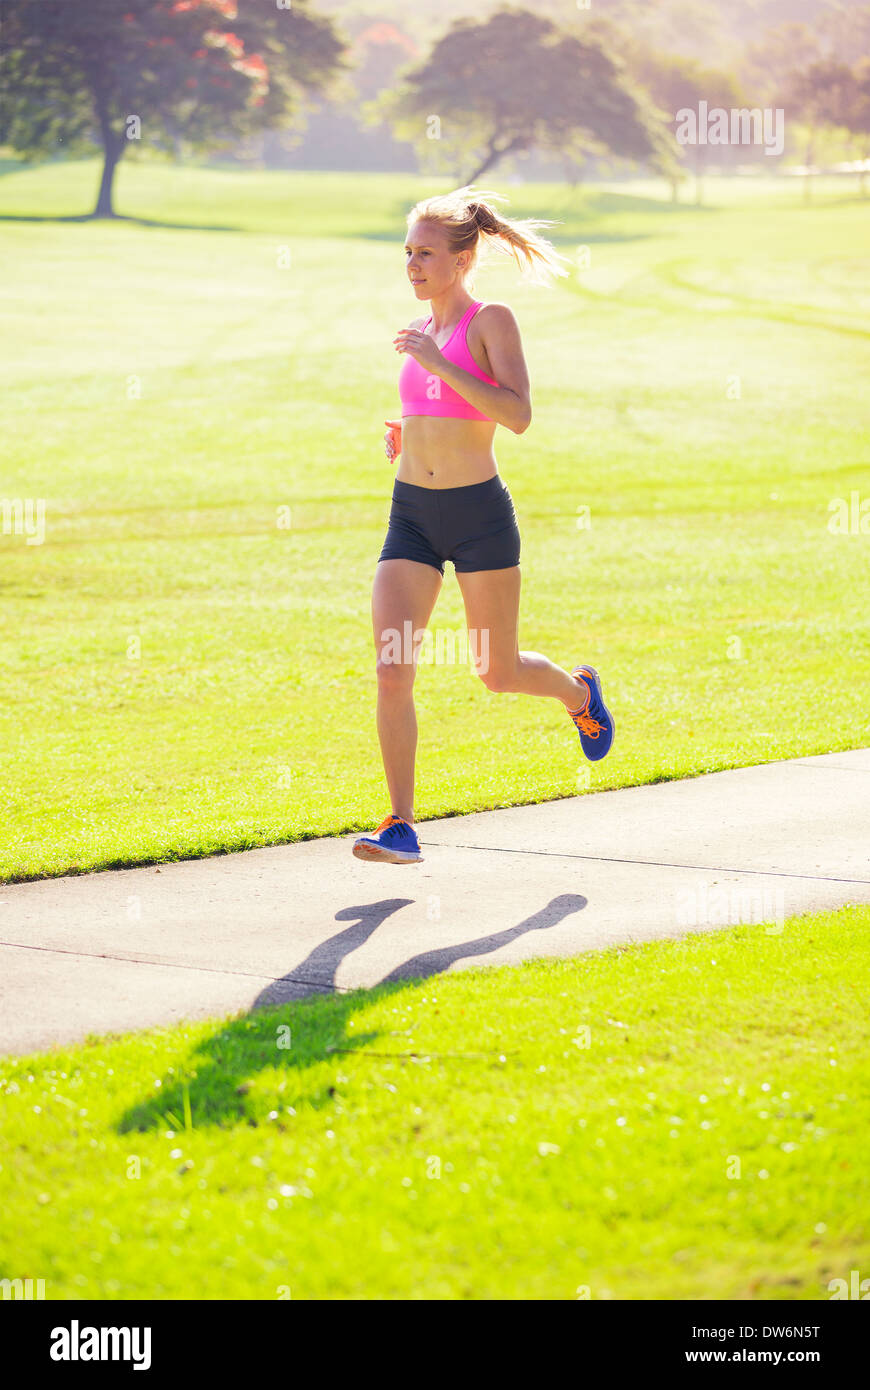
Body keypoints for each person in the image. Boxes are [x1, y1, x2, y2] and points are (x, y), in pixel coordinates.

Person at [353, 186, 614, 865]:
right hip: (410, 516)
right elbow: (440, 410)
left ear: (464, 258)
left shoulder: (487, 321)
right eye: (407, 252)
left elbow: (516, 414)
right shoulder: (423, 332)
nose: (412, 265)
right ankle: (401, 825)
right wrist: (406, 432)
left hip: (478, 519)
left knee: (496, 672)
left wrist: (436, 367)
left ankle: (578, 692)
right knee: (392, 669)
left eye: (426, 254)